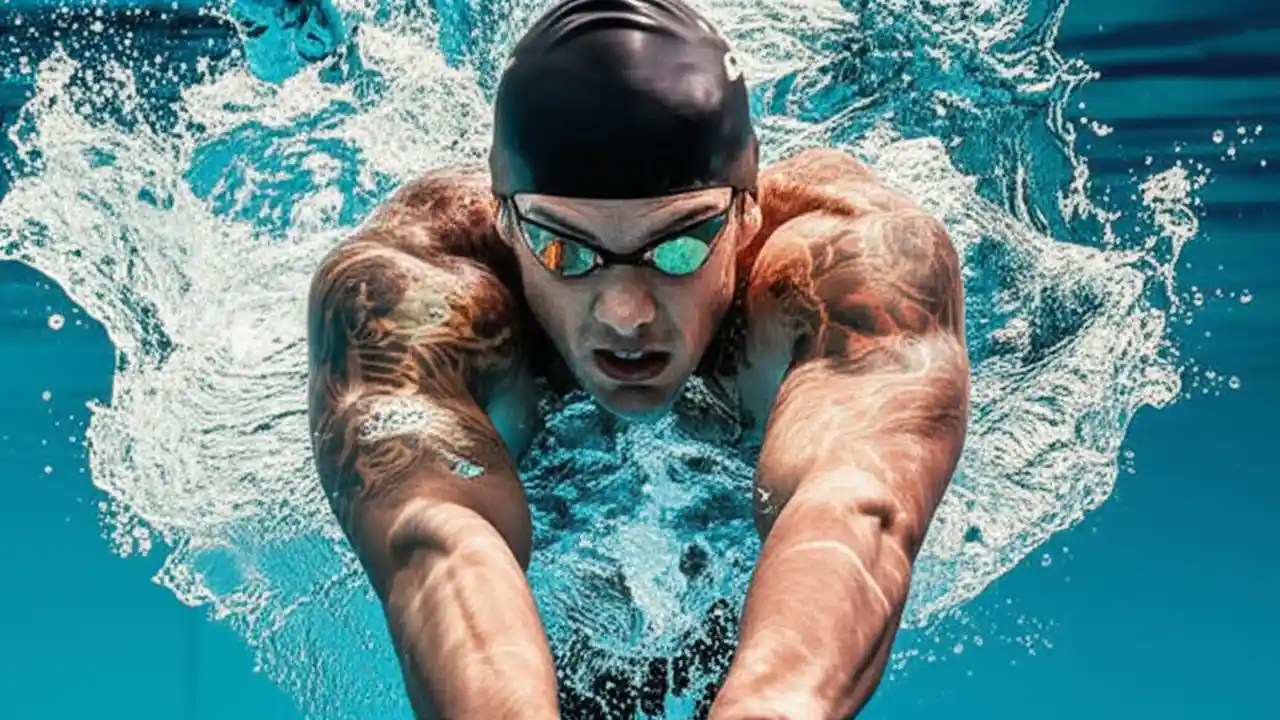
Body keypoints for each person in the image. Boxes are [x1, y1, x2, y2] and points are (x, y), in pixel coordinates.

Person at [305, 0, 970, 717]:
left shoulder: (852, 271)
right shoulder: (411, 297)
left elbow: (853, 505)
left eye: (678, 246)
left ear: (746, 212)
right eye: (564, 248)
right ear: (505, 221)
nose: (626, 311)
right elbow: (436, 539)